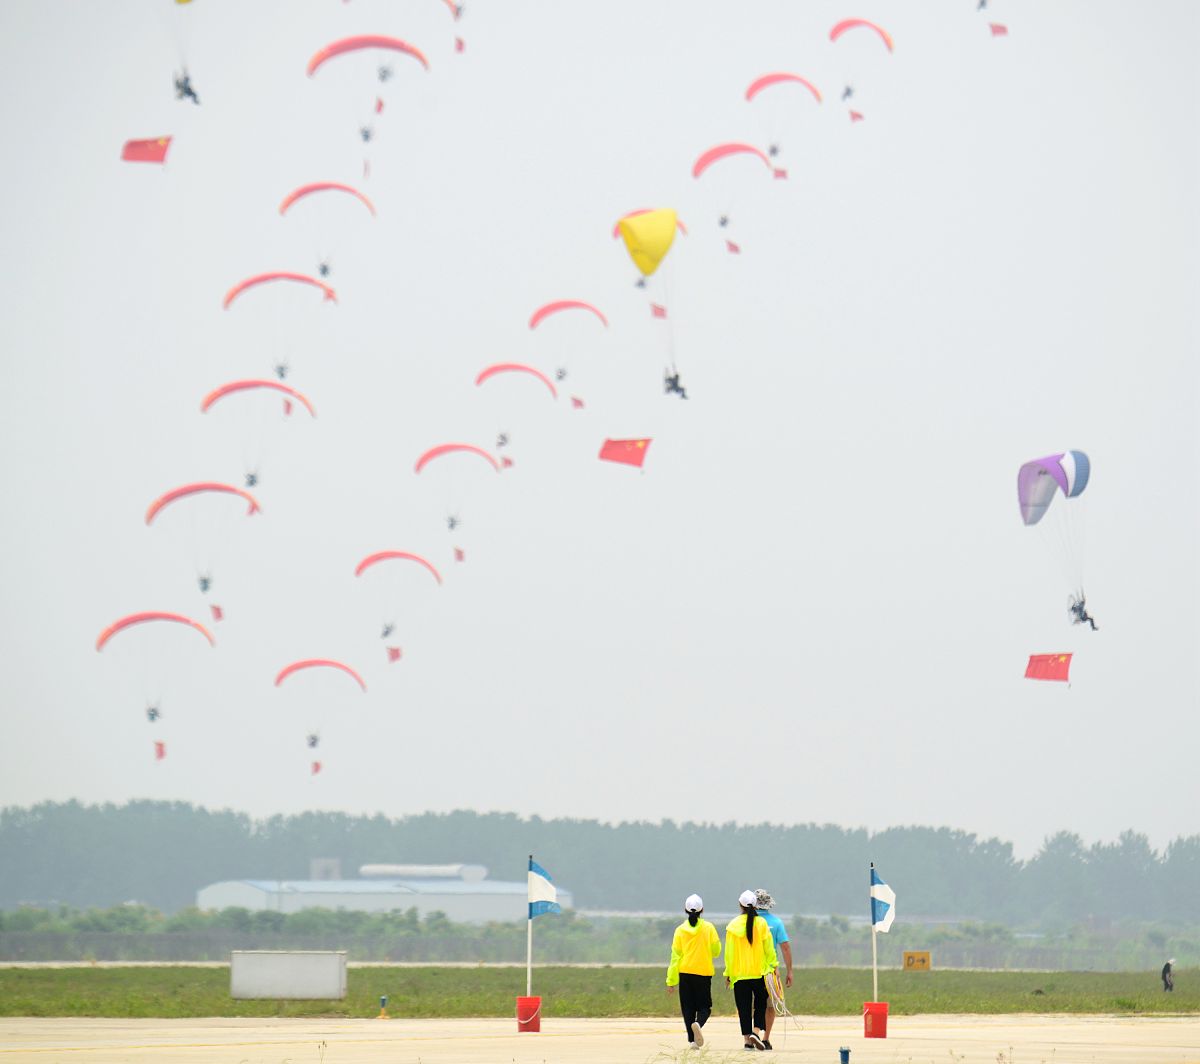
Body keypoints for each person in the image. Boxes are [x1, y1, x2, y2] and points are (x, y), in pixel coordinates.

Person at [666, 894, 721, 1049]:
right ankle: (698, 1023)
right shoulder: (709, 928)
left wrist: (671, 981)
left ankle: (692, 1041)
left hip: (685, 973)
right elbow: (716, 951)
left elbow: (675, 957)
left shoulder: (680, 930)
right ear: (702, 910)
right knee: (704, 1007)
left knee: (688, 1008)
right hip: (703, 973)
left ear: (685, 910)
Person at [725, 889, 777, 1051]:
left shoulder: (732, 925)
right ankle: (756, 1031)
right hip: (759, 972)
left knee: (744, 1008)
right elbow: (769, 948)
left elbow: (729, 953)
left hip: (739, 974)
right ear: (755, 906)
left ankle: (747, 1041)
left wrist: (728, 973)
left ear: (740, 905)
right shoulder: (761, 924)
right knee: (760, 1004)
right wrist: (773, 966)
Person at [753, 890, 793, 1045]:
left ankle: (752, 1034)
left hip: (750, 970)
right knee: (770, 1006)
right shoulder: (776, 923)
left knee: (751, 1005)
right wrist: (789, 971)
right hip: (771, 971)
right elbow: (785, 947)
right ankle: (766, 1038)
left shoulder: (746, 922)